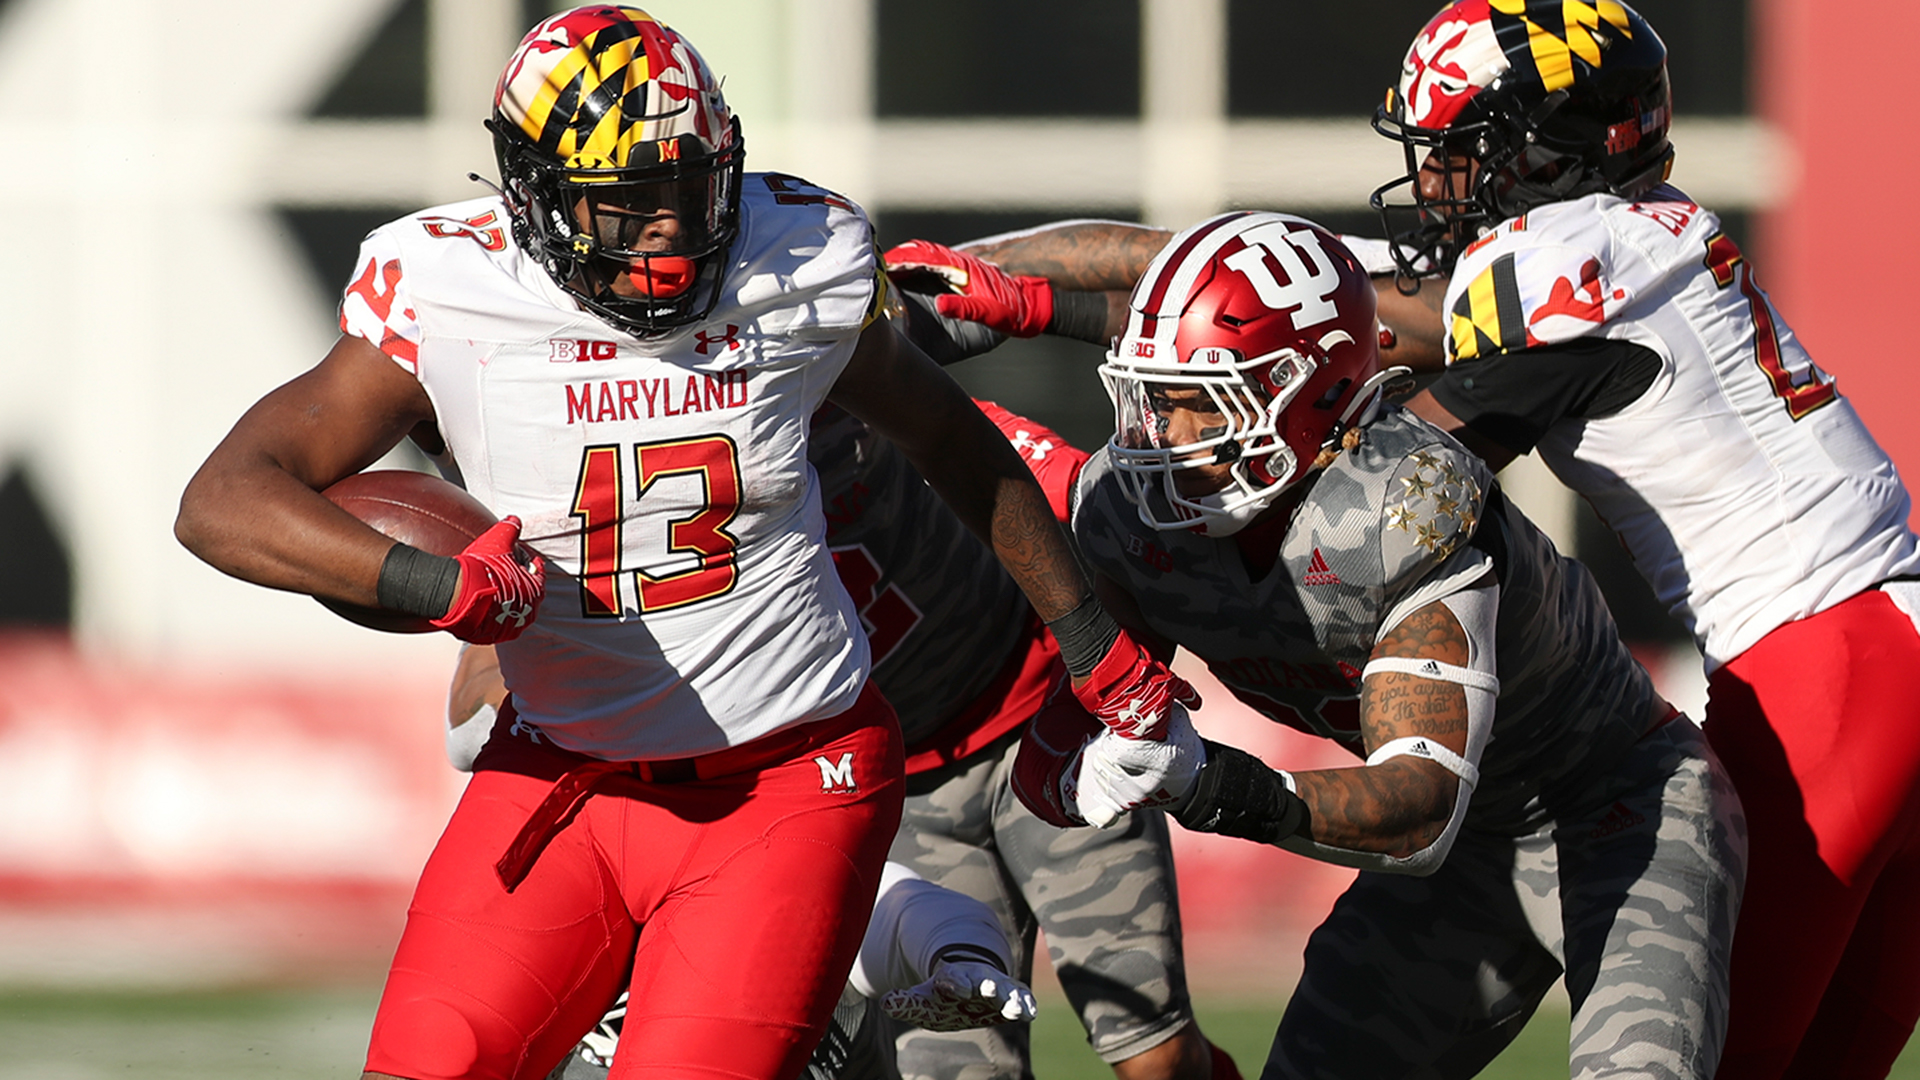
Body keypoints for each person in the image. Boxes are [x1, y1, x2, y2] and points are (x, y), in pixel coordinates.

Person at [172, 8, 1185, 1080]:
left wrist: (1093, 646)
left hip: (789, 780)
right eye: (626, 207)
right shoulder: (450, 291)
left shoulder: (797, 258)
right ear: (534, 196)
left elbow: (952, 440)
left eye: (687, 191)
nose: (667, 230)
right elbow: (223, 499)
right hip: (560, 776)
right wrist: (434, 584)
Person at [1008, 210, 1745, 1079]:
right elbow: (1066, 741)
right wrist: (1070, 762)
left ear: (1312, 397)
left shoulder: (1400, 512)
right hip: (1474, 859)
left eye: (1198, 405)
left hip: (1615, 810)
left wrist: (1212, 784)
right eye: (1151, 400)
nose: (1157, 438)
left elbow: (1420, 809)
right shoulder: (1134, 517)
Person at [446, 371, 1239, 1080]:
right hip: (901, 779)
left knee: (1155, 1052)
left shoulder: (827, 372)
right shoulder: (626, 479)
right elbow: (498, 670)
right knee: (956, 1067)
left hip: (1037, 719)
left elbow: (1019, 462)